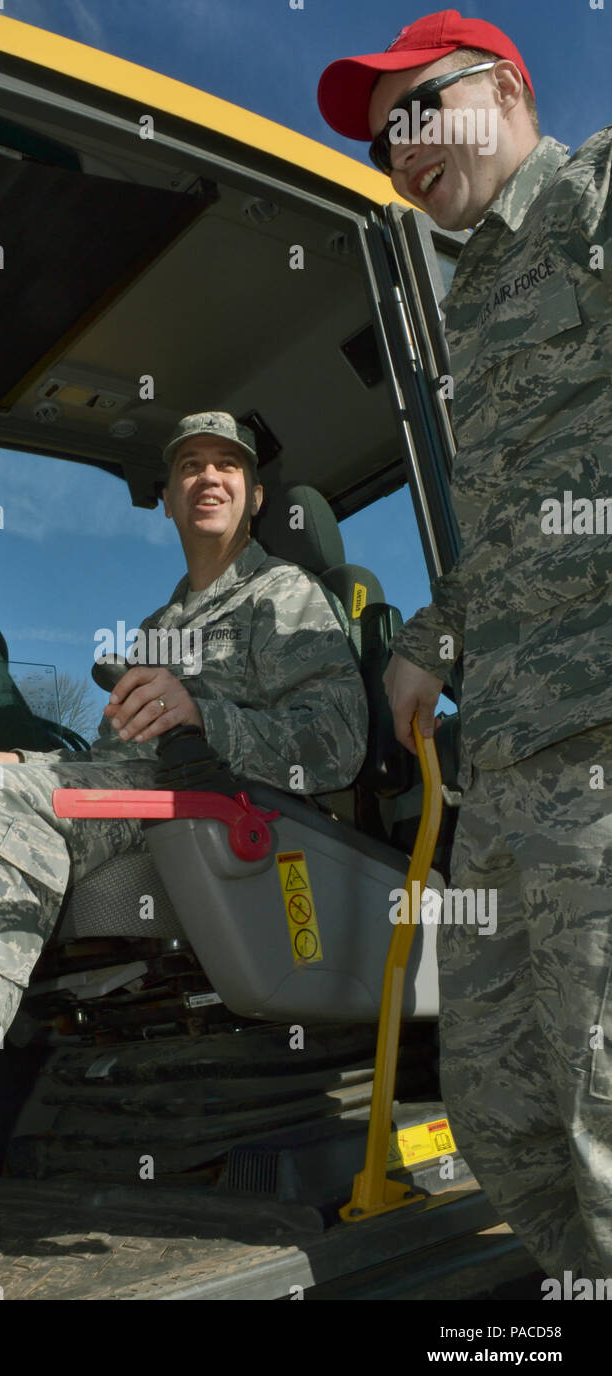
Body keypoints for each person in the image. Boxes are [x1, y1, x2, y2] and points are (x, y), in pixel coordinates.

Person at [0, 410, 368, 1232]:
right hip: (136, 798)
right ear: (168, 497)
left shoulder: (282, 596)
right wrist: (22, 765)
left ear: (255, 497)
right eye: (189, 464)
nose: (208, 477)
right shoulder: (159, 627)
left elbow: (335, 746)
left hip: (225, 814)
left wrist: (206, 712)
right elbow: (110, 757)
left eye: (227, 465)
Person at [319, 11, 612, 1280]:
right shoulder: (475, 305)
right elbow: (498, 526)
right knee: (498, 1104)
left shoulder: (595, 198)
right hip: (505, 772)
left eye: (419, 111)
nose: (402, 149)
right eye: (385, 142)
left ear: (501, 87)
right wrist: (426, 641)